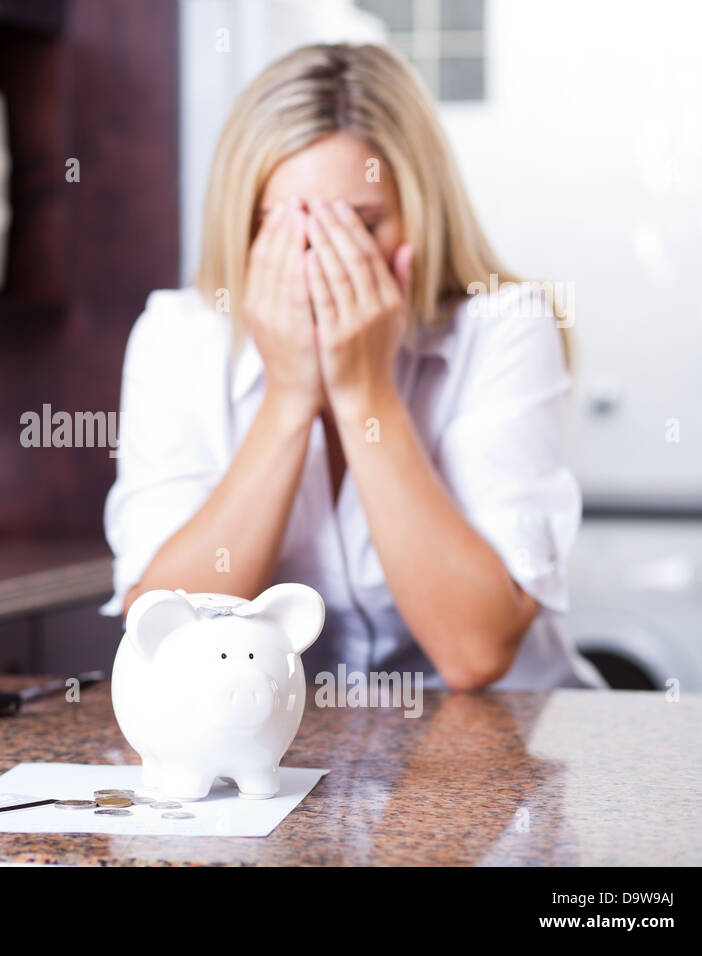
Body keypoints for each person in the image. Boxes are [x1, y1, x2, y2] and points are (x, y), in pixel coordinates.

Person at [103, 43, 603, 691]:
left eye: (358, 226)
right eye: (283, 231)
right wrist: (288, 400)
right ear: (242, 229)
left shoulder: (504, 328)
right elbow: (165, 639)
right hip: (289, 752)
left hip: (507, 746)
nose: (321, 266)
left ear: (420, 217)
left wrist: (365, 394)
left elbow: (476, 652)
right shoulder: (180, 336)